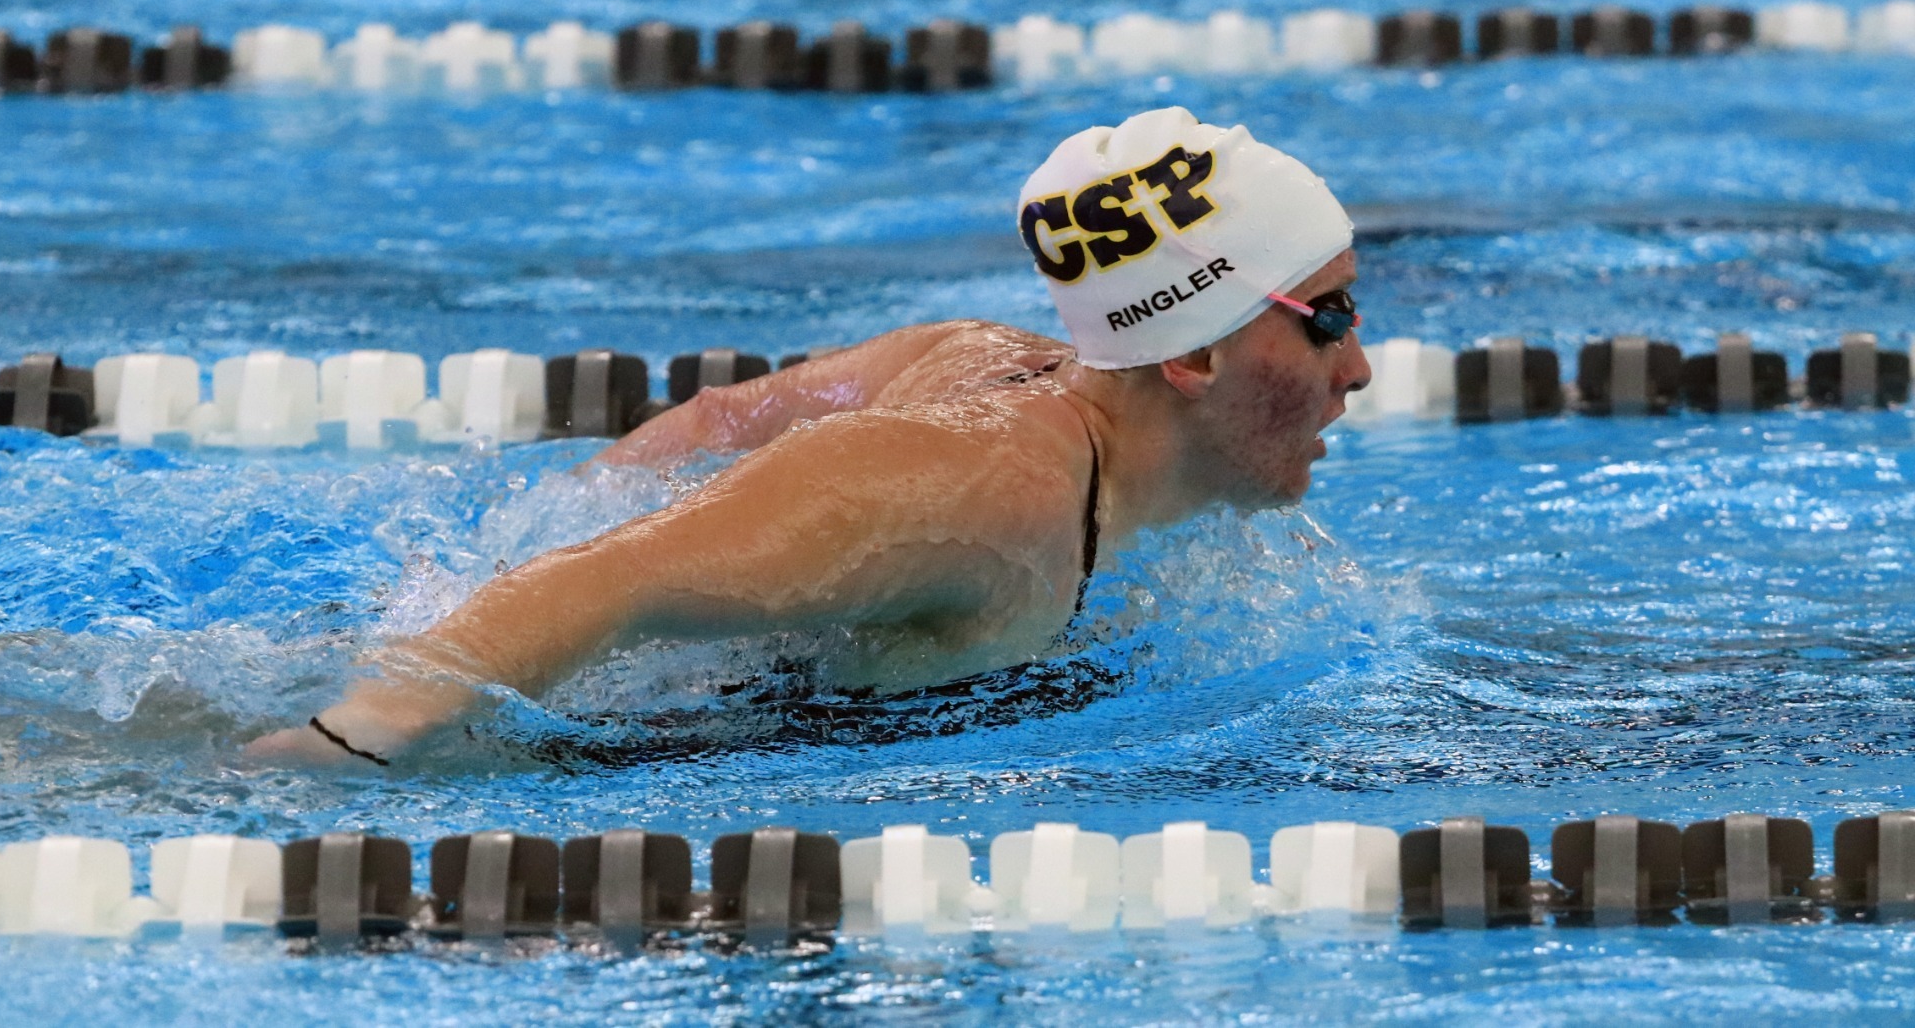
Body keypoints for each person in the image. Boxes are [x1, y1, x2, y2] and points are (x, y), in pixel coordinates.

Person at [248, 106, 1371, 766]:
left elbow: (721, 419)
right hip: (573, 733)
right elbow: (618, 577)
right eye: (1326, 319)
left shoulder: (977, 355)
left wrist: (508, 544)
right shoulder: (983, 490)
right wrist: (342, 749)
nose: (1357, 368)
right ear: (1191, 355)